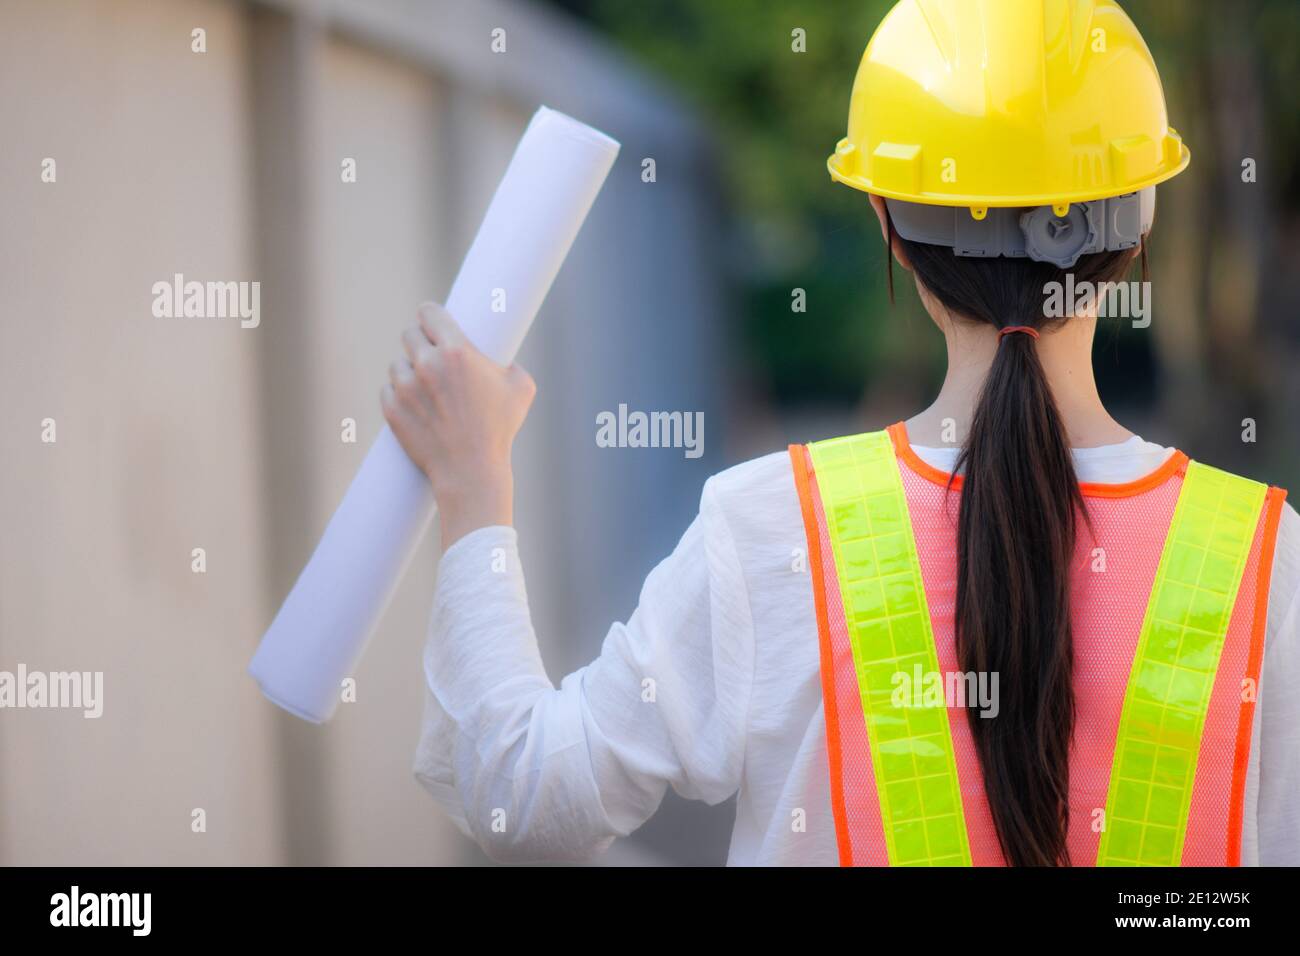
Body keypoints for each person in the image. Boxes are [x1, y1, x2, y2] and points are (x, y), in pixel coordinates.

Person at [381, 0, 1299, 866]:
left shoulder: (773, 527)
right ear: (1140, 225)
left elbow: (529, 794)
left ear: (888, 226)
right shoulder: (1268, 564)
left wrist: (473, 485)